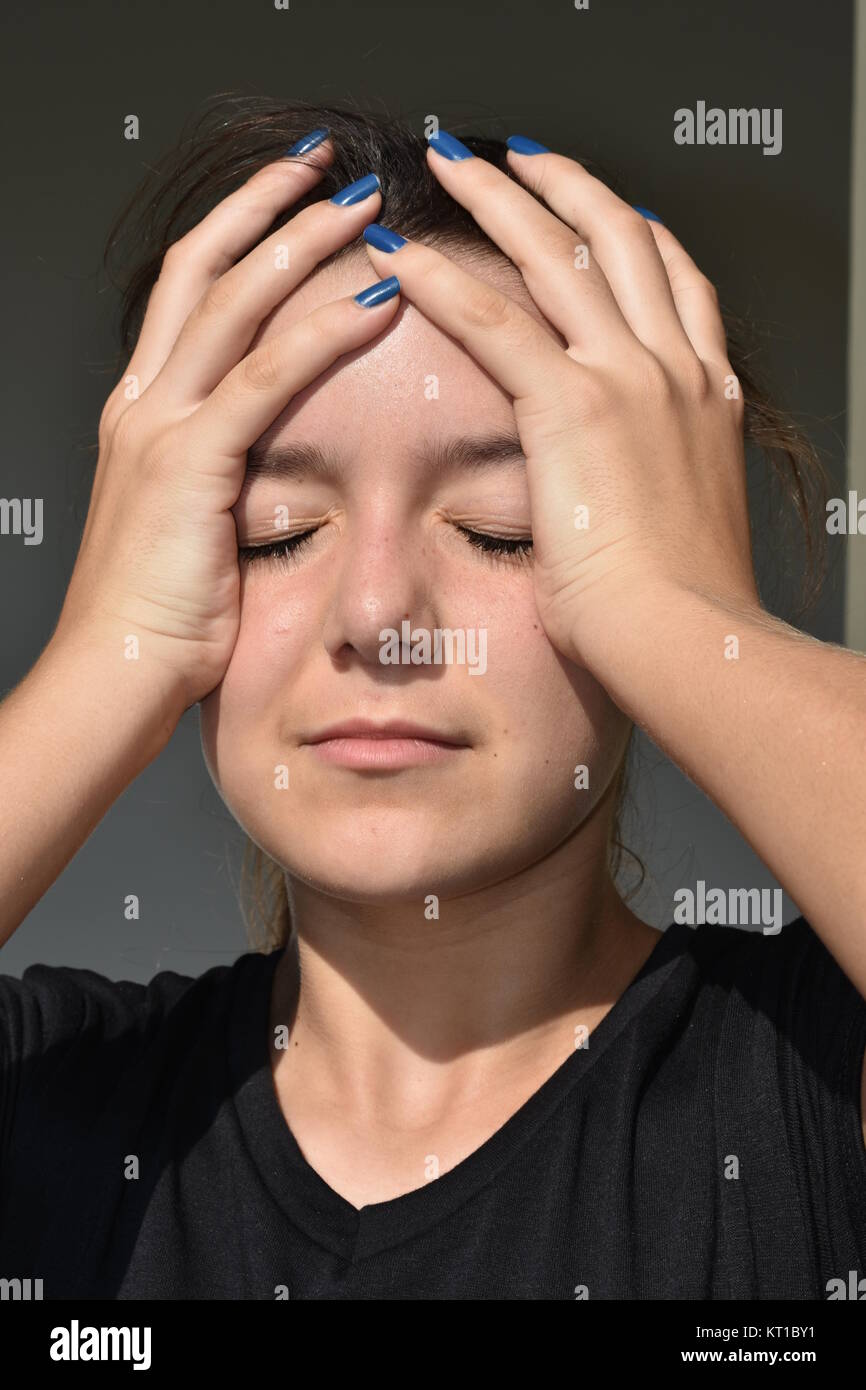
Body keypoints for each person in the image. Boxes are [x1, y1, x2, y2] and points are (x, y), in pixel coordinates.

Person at [0, 98, 864, 1301]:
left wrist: (682, 618)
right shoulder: (50, 1103)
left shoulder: (808, 1095)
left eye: (501, 531)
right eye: (273, 531)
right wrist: (110, 650)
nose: (378, 614)